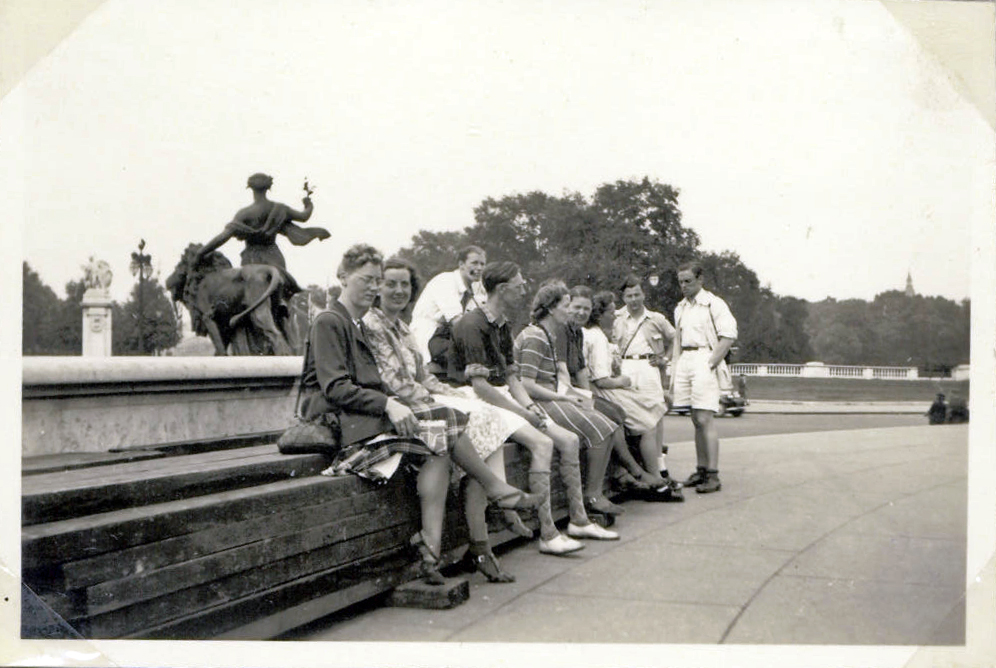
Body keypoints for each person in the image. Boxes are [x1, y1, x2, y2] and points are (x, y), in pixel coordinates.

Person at [299, 244, 489, 584]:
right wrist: (388, 404)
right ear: (342, 277)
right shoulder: (330, 321)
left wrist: (392, 403)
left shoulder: (354, 323)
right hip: (342, 427)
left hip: (363, 421)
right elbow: (335, 388)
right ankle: (496, 489)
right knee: (443, 426)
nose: (373, 287)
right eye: (366, 280)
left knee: (439, 451)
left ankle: (428, 555)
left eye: (376, 280)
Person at [362, 257, 540, 582]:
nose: (400, 290)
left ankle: (483, 533)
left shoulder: (402, 329)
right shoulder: (371, 325)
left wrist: (453, 393)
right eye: (391, 284)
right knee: (471, 421)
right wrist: (437, 398)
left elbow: (422, 377)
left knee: (485, 415)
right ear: (377, 288)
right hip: (396, 408)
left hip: (420, 403)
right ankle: (491, 508)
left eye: (405, 284)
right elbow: (391, 380)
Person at [451, 262, 619, 555]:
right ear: (502, 290)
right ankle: (548, 532)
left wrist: (529, 407)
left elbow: (513, 378)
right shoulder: (472, 323)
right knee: (542, 444)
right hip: (475, 400)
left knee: (568, 440)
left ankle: (578, 519)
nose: (524, 290)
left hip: (503, 397)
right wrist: (523, 411)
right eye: (519, 285)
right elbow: (480, 386)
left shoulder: (502, 324)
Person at [514, 281, 627, 517]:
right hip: (539, 401)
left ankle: (594, 492)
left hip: (550, 396)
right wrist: (563, 398)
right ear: (551, 308)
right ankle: (592, 495)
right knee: (602, 428)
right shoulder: (536, 336)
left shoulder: (548, 334)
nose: (570, 311)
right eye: (566, 305)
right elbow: (526, 384)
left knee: (607, 425)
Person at [582, 290, 683, 498]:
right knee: (647, 421)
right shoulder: (597, 338)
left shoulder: (594, 334)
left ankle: (653, 473)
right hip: (601, 391)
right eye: (611, 311)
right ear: (600, 315)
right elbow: (602, 379)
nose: (615, 315)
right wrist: (624, 381)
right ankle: (655, 477)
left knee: (652, 407)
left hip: (600, 388)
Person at [670, 261, 738, 494]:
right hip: (686, 360)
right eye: (681, 282)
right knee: (695, 418)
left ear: (700, 280)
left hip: (704, 358)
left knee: (705, 417)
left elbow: (728, 336)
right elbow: (678, 341)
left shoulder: (714, 304)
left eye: (688, 281)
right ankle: (701, 469)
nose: (684, 286)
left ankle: (713, 474)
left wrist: (710, 364)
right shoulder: (680, 308)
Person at [612, 274, 676, 477]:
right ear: (623, 298)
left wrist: (665, 359)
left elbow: (676, 339)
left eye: (637, 294)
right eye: (629, 295)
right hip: (625, 367)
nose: (633, 299)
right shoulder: (616, 317)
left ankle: (659, 463)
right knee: (631, 412)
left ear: (643, 294)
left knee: (655, 413)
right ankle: (639, 461)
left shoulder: (656, 319)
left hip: (648, 366)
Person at [195, 173, 329, 269]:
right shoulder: (280, 209)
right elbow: (304, 216)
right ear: (268, 188)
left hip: (251, 259)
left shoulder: (243, 213)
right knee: (285, 287)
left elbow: (223, 237)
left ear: (250, 188)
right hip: (273, 257)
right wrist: (308, 204)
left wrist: (201, 253)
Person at [410, 245, 488, 366]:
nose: (479, 268)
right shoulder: (445, 281)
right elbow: (458, 322)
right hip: (430, 335)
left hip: (449, 336)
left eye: (482, 264)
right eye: (474, 263)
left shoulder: (476, 288)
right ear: (461, 264)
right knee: (472, 357)